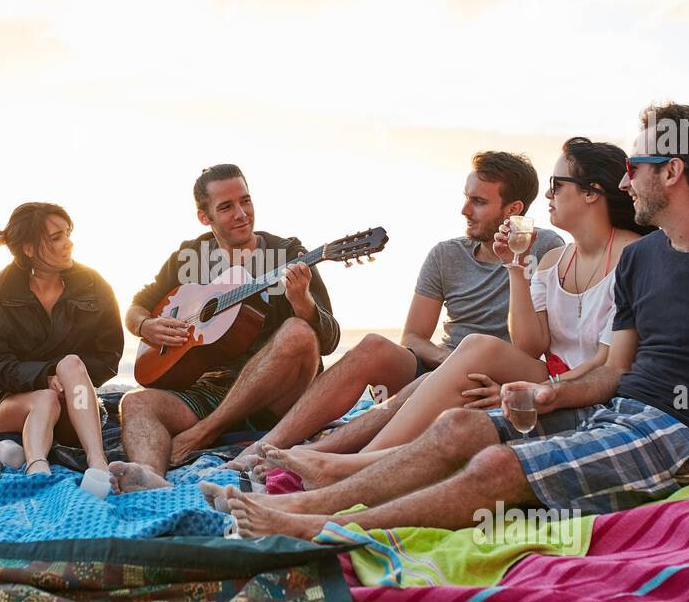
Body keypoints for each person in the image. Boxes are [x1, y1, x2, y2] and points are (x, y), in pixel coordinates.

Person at [222, 103, 689, 538]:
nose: (627, 180)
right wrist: (545, 393)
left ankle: (320, 521)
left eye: (638, 166)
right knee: (458, 424)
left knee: (496, 471)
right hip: (621, 407)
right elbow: (615, 370)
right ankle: (325, 486)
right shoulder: (646, 261)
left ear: (673, 171)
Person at [257, 137, 654, 488]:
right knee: (430, 352)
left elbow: (607, 363)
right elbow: (531, 342)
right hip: (518, 368)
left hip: (569, 383)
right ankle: (307, 454)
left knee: (468, 355)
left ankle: (346, 464)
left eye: (557, 185)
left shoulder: (626, 256)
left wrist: (529, 391)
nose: (548, 195)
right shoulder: (551, 258)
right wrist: (515, 267)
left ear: (592, 193)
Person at [225, 151, 564, 472]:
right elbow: (413, 338)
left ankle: (312, 457)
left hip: (495, 377)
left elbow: (550, 346)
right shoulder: (445, 255)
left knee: (430, 382)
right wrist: (453, 360)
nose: (464, 209)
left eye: (478, 201)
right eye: (466, 197)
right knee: (374, 346)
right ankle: (267, 444)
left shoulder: (546, 248)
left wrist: (511, 386)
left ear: (512, 209)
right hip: (447, 362)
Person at [108, 164, 341, 492]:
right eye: (226, 207)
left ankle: (201, 434)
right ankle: (149, 479)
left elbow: (329, 339)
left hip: (277, 395)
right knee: (134, 403)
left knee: (297, 332)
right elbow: (136, 305)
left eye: (246, 201)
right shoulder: (190, 255)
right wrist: (146, 325)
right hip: (212, 390)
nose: (242, 213)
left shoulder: (287, 252)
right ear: (205, 217)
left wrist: (303, 302)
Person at [0, 202, 123, 474]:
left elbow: (109, 354)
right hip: (15, 406)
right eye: (57, 237)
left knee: (72, 364)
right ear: (29, 249)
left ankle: (97, 462)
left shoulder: (94, 285)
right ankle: (37, 467)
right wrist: (45, 378)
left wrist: (66, 380)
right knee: (45, 398)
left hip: (77, 402)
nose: (68, 243)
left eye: (67, 233)